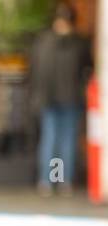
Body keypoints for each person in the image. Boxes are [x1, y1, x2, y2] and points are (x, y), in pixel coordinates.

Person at [29, 3, 93, 194]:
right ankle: (56, 180)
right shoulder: (78, 43)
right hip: (63, 98)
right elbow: (87, 69)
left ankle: (53, 181)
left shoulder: (44, 42)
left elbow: (37, 70)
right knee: (59, 139)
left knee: (58, 139)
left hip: (58, 98)